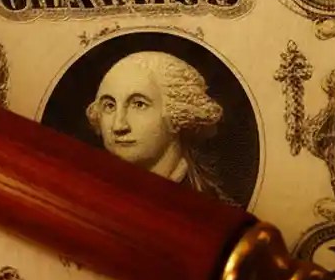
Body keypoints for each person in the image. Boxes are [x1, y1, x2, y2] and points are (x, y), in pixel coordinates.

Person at [85, 51, 233, 204]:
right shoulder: (88, 196)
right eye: (109, 106)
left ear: (177, 113)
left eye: (139, 104)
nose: (119, 126)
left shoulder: (211, 207)